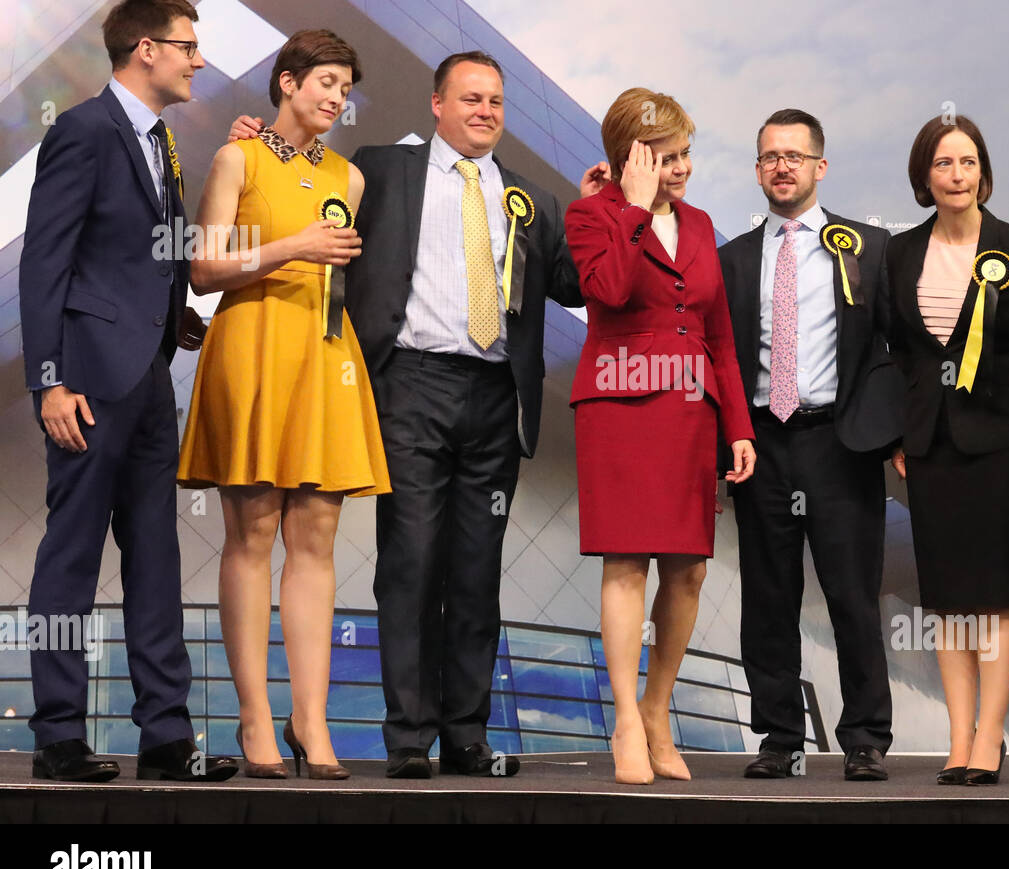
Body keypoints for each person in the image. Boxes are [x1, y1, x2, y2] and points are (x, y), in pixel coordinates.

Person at [227, 50, 602, 778]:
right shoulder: (381, 169)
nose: (484, 111)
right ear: (437, 104)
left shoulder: (531, 198)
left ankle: (466, 733)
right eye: (470, 99)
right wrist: (258, 138)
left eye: (495, 101)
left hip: (496, 397)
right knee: (409, 563)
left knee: (475, 571)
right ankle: (408, 739)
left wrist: (596, 211)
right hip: (408, 386)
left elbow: (575, 287)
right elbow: (308, 185)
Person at [18, 0, 236, 783]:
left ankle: (166, 739)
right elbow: (45, 263)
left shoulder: (164, 144)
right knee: (70, 558)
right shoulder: (82, 130)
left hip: (149, 380)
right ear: (145, 48)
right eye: (187, 45)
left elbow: (143, 248)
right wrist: (50, 381)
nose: (198, 59)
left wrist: (172, 311)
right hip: (87, 383)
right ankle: (59, 738)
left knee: (156, 555)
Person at [179, 30, 388, 780]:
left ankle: (311, 718)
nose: (336, 98)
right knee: (252, 531)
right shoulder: (237, 157)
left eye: (345, 87)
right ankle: (253, 718)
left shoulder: (348, 177)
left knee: (319, 538)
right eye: (326, 81)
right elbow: (202, 268)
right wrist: (288, 247)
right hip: (253, 348)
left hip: (326, 351)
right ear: (288, 82)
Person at [567, 88, 756, 784]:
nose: (680, 169)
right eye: (665, 158)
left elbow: (721, 338)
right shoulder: (590, 215)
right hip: (618, 406)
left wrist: (737, 426)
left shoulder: (704, 226)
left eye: (684, 155)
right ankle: (623, 719)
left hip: (689, 412)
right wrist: (637, 211)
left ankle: (656, 707)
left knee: (690, 569)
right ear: (629, 160)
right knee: (626, 562)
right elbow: (610, 292)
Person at [717, 109, 902, 780]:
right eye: (769, 156)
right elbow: (721, 361)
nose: (782, 166)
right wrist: (721, 452)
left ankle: (864, 739)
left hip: (840, 446)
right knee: (767, 599)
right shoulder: (731, 259)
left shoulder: (870, 248)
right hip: (761, 446)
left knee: (853, 595)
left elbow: (897, 347)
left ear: (821, 167)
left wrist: (891, 434)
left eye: (795, 156)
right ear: (758, 169)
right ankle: (779, 738)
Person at [887, 115, 1009, 785]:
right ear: (924, 176)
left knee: (994, 595)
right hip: (928, 447)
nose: (957, 175)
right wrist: (897, 437)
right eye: (943, 164)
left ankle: (990, 736)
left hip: (1002, 444)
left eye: (967, 162)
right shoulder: (901, 253)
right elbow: (895, 353)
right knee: (947, 599)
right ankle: (958, 739)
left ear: (982, 172)